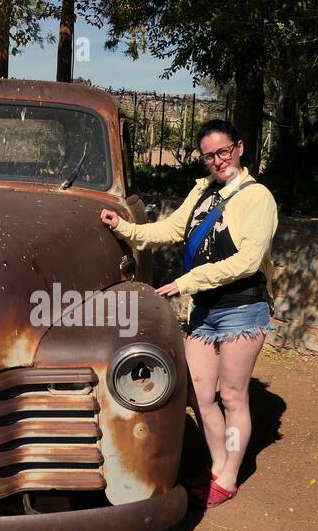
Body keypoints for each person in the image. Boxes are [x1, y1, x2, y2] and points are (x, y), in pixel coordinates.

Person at [100, 119, 279, 507]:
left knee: (232, 397)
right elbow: (170, 230)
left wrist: (189, 281)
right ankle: (217, 466)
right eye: (209, 155)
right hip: (205, 312)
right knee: (198, 395)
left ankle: (228, 477)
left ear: (240, 148)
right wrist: (125, 229)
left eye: (223, 152)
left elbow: (249, 261)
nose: (217, 161)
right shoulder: (202, 192)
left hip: (241, 310)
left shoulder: (257, 197)